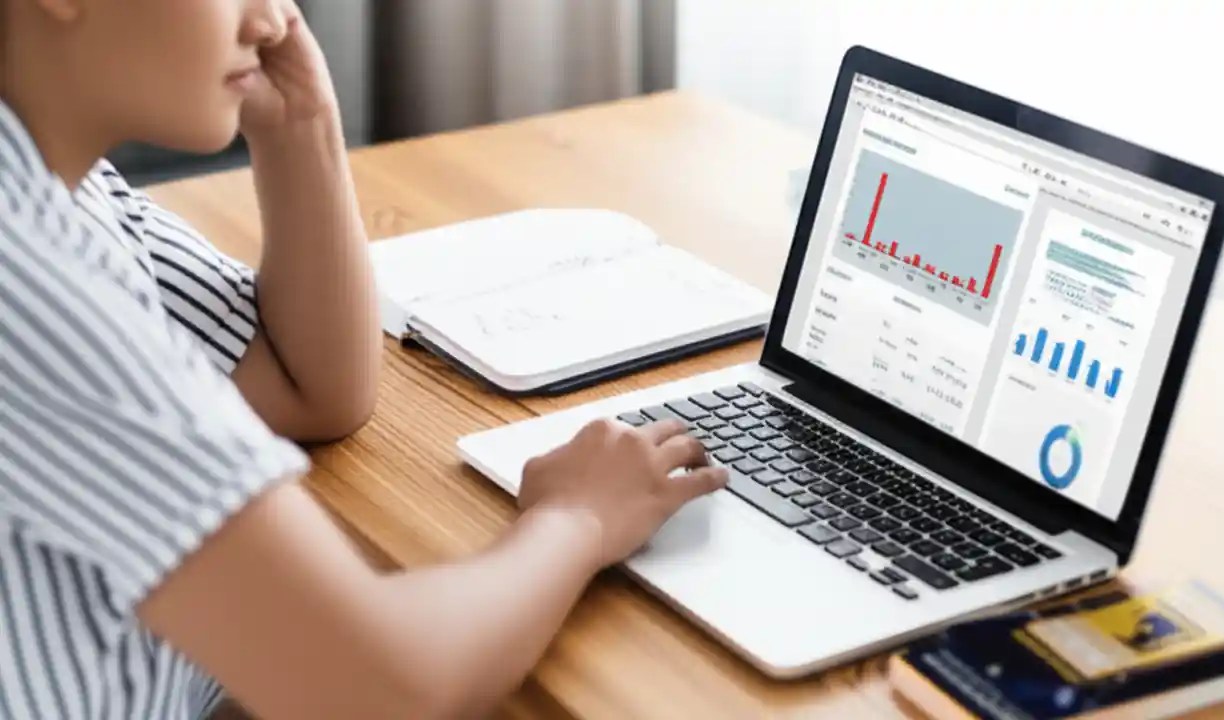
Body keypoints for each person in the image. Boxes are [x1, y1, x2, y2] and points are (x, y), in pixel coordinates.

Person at [0, 0, 728, 717]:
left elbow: (308, 388)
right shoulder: (27, 279)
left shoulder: (67, 189)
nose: (273, 20)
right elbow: (381, 683)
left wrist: (302, 126)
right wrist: (579, 519)